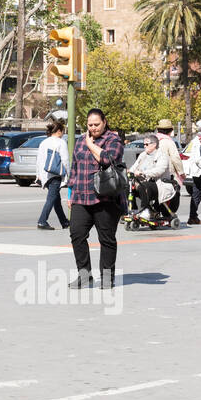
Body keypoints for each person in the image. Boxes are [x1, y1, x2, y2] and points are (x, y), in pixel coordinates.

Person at [67, 108, 124, 289]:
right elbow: (74, 167)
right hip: (81, 195)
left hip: (105, 198)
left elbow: (108, 159)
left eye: (96, 124)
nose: (93, 128)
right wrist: (70, 193)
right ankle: (84, 275)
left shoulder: (113, 140)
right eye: (90, 125)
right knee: (76, 235)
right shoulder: (79, 141)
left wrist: (91, 145)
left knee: (106, 238)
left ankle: (107, 278)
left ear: (104, 122)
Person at [35, 119, 70, 230]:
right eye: (63, 131)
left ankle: (64, 222)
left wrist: (38, 175)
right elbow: (65, 160)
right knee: (51, 198)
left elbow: (39, 160)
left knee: (56, 199)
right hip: (55, 174)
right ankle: (42, 221)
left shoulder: (44, 142)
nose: (63, 133)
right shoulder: (61, 142)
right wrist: (68, 174)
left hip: (45, 175)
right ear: (59, 131)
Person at [130, 133, 172, 220]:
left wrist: (143, 173)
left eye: (146, 144)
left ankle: (145, 210)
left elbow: (160, 170)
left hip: (159, 184)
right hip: (143, 182)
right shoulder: (143, 155)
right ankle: (133, 210)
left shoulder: (162, 155)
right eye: (144, 144)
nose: (144, 146)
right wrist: (130, 172)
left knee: (145, 186)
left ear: (154, 145)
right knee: (127, 185)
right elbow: (134, 167)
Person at [154, 118, 185, 218]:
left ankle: (156, 211)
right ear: (170, 130)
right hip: (168, 172)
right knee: (171, 193)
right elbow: (175, 158)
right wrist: (181, 172)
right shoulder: (168, 142)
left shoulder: (154, 140)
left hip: (154, 172)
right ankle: (168, 213)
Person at [183, 120, 201, 225]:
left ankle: (192, 217)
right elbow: (200, 158)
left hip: (196, 172)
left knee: (196, 194)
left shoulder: (196, 139)